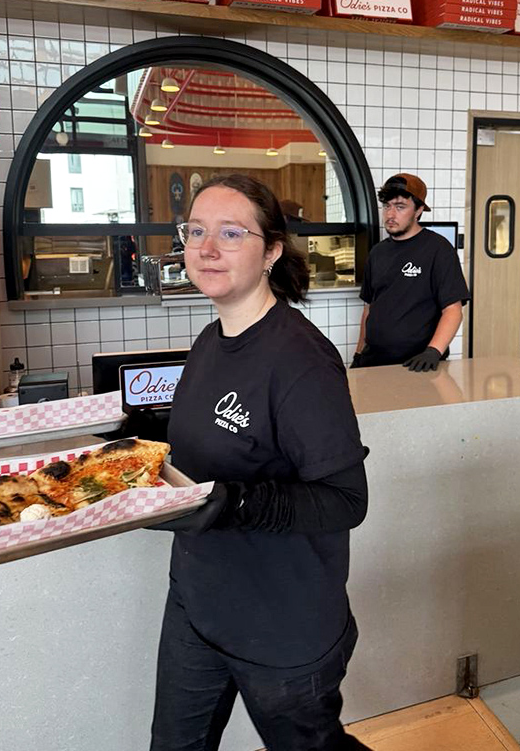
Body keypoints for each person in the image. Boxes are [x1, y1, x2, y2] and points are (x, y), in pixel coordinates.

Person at [149, 173, 371, 751]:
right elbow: (199, 448)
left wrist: (238, 501)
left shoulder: (301, 359)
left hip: (283, 624)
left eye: (230, 233)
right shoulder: (207, 342)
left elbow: (347, 500)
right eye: (196, 231)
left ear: (272, 250)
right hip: (197, 606)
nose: (206, 248)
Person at [352, 173, 470, 372]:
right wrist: (358, 353)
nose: (390, 214)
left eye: (400, 207)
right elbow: (368, 310)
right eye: (387, 206)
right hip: (373, 363)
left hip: (418, 364)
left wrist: (433, 351)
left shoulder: (438, 249)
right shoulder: (378, 252)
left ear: (419, 210)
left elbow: (453, 310)